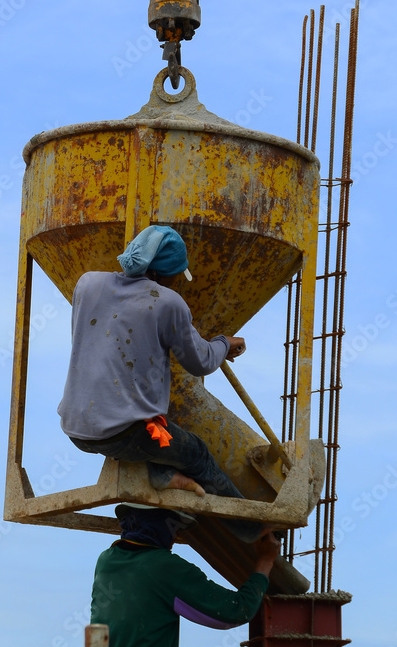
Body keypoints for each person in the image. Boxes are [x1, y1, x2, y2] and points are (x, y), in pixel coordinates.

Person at [57, 225, 263, 542]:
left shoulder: (87, 284)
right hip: (125, 434)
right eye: (175, 274)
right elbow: (201, 361)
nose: (176, 280)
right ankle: (253, 530)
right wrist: (224, 343)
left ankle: (163, 472)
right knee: (195, 452)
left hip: (75, 428)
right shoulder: (167, 302)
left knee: (145, 438)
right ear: (163, 273)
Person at [72, 504, 281, 647]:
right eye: (173, 528)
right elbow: (236, 610)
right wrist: (265, 561)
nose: (175, 537)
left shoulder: (106, 560)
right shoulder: (166, 568)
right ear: (161, 527)